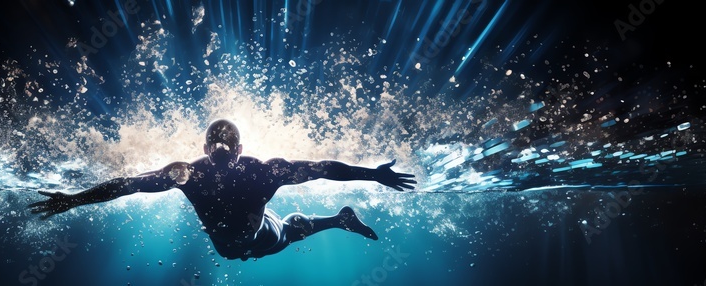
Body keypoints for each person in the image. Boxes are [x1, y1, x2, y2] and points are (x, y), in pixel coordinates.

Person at [29, 119, 416, 260]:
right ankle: (338, 219)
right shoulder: (187, 174)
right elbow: (129, 185)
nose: (220, 149)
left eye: (227, 144)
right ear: (204, 147)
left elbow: (322, 169)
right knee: (257, 237)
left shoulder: (263, 172)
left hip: (258, 236)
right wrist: (74, 199)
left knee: (283, 233)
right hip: (234, 238)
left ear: (241, 149)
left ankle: (338, 220)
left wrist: (374, 175)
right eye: (215, 143)